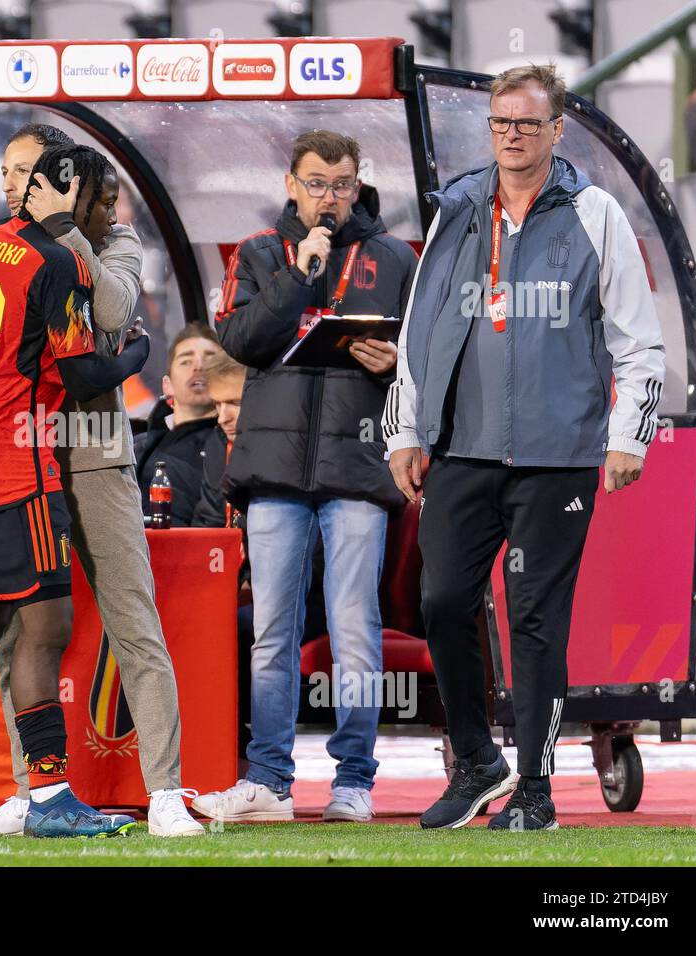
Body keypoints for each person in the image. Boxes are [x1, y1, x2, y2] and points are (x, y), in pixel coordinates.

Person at [383, 63, 666, 831]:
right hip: (464, 449)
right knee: (440, 603)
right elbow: (419, 329)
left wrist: (627, 434)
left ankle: (535, 791)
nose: (511, 134)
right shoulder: (459, 208)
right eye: (501, 122)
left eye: (527, 123)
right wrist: (405, 429)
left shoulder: (595, 212)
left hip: (558, 454)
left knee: (536, 618)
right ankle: (477, 761)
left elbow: (639, 339)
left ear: (556, 130)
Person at [0, 125, 204, 837]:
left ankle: (164, 790)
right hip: (21, 454)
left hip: (93, 450)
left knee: (132, 620)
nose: (16, 186)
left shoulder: (115, 242)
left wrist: (66, 232)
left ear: (82, 191)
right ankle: (32, 788)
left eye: (28, 174)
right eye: (11, 174)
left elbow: (110, 308)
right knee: (18, 629)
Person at [194, 130, 417, 825]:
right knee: (272, 631)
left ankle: (354, 779)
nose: (331, 196)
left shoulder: (392, 257)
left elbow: (427, 354)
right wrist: (299, 274)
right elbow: (239, 344)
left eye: (343, 183)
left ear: (359, 184)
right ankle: (268, 780)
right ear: (292, 182)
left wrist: (396, 364)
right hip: (274, 468)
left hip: (356, 461)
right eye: (318, 182)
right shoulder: (259, 253)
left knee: (355, 626)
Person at [133, 323, 222, 527]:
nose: (198, 366)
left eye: (210, 359)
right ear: (167, 385)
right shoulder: (137, 446)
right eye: (186, 361)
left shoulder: (232, 446)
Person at [192, 350, 247, 530]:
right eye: (218, 404)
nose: (222, 418)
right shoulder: (217, 442)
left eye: (235, 403)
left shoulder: (284, 449)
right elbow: (208, 519)